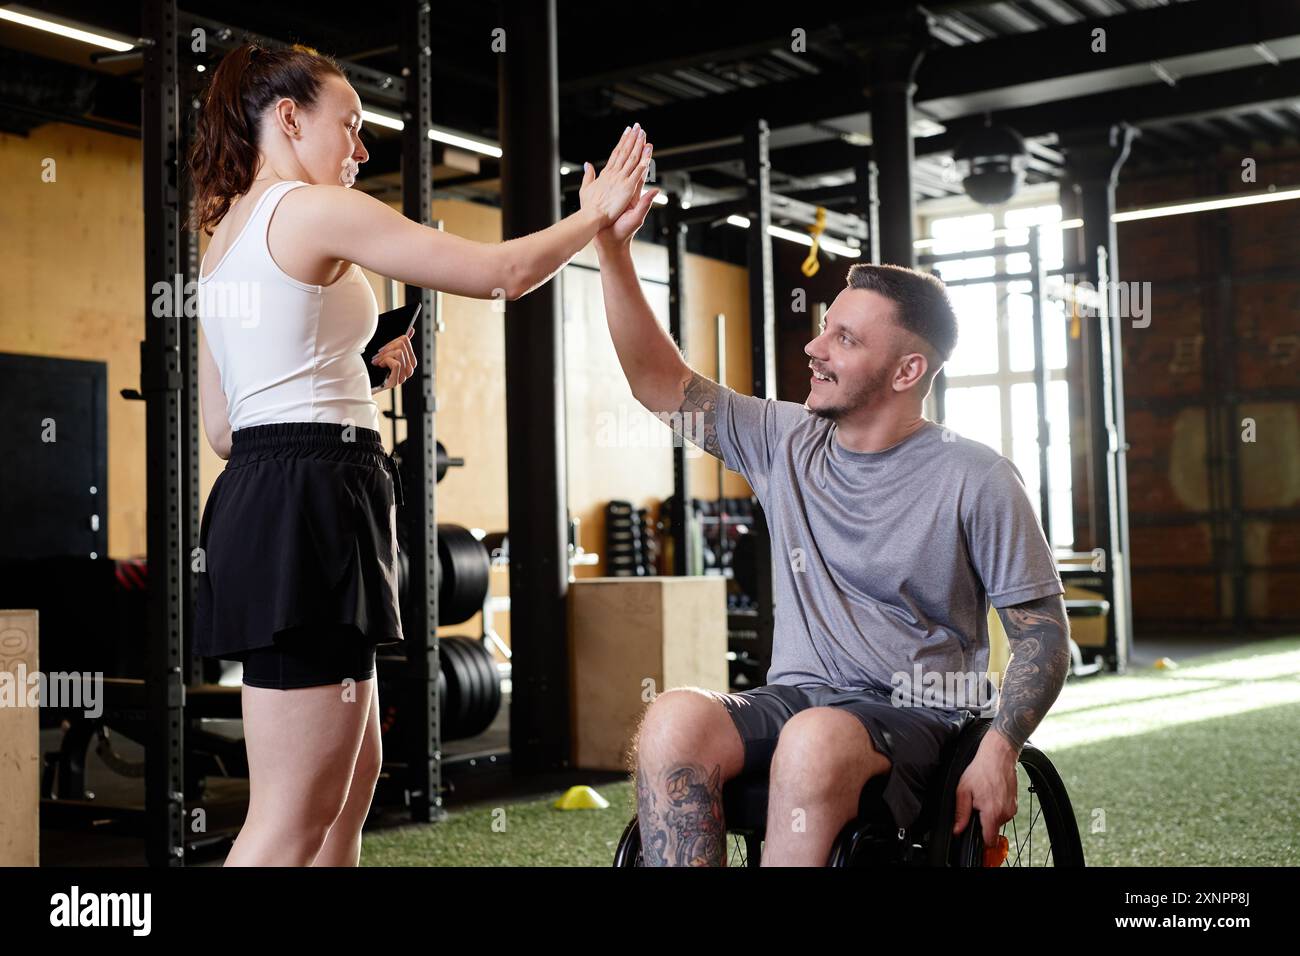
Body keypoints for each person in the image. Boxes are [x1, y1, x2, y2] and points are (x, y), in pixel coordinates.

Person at [188, 42, 653, 866]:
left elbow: (226, 432)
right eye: (352, 126)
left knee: (349, 784)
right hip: (311, 501)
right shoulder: (314, 207)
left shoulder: (222, 241)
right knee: (292, 816)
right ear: (289, 118)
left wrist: (358, 378)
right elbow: (502, 274)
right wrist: (596, 215)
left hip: (277, 490)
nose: (362, 150)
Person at [591, 189, 1071, 866]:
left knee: (816, 738)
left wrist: (1000, 748)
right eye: (825, 327)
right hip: (796, 700)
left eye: (845, 338)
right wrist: (611, 248)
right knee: (673, 717)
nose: (815, 347)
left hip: (918, 718)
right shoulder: (785, 439)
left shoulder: (977, 476)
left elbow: (1045, 637)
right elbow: (655, 380)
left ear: (908, 371)